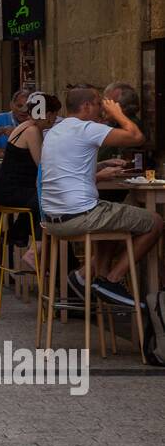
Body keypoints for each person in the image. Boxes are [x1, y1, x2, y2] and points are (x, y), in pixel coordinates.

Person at [41, 85, 163, 307]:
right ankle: (112, 280)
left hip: (54, 219)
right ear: (86, 106)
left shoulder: (55, 131)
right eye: (99, 104)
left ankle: (90, 278)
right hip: (80, 216)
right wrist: (118, 113)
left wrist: (101, 164)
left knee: (111, 216)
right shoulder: (86, 128)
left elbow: (70, 166)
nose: (102, 110)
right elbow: (136, 136)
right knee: (155, 222)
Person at [0, 92, 62, 272]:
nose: (55, 119)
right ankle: (33, 248)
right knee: (46, 199)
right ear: (49, 113)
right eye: (54, 114)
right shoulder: (32, 130)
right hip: (8, 190)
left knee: (41, 198)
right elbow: (42, 165)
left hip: (8, 188)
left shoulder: (25, 126)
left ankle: (16, 234)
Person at [0, 85, 36, 152]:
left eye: (28, 107)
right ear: (11, 105)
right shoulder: (1, 118)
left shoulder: (37, 121)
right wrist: (1, 130)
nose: (24, 110)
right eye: (19, 106)